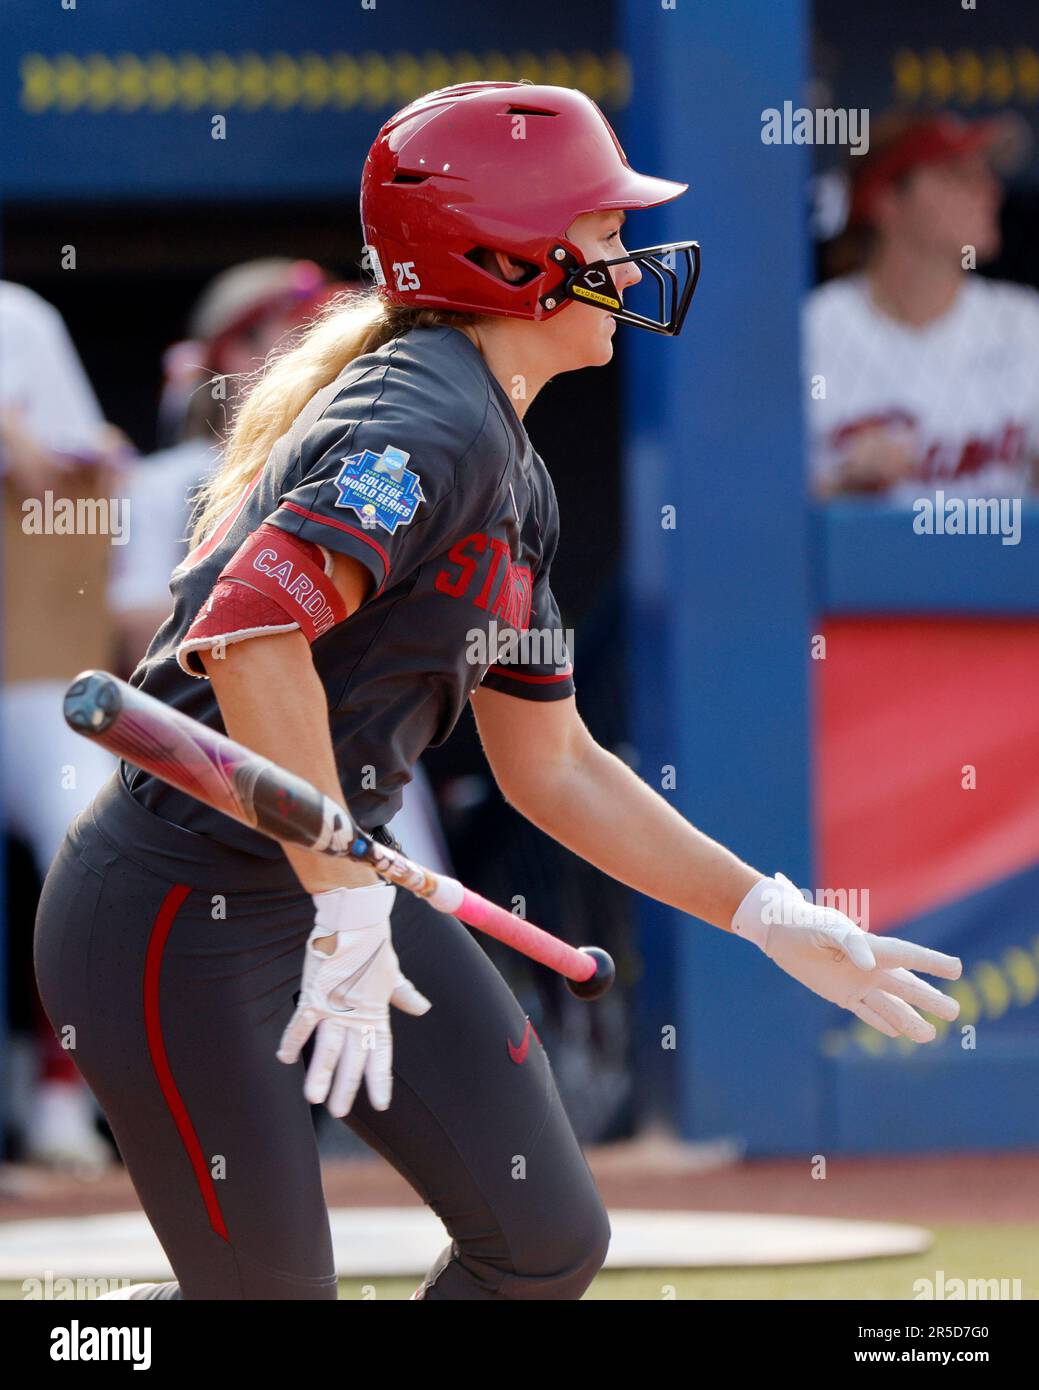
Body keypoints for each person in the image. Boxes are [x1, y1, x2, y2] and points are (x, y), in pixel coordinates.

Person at [35, 81, 962, 1302]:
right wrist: (340, 897)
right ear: (507, 254)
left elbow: (554, 763)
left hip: (327, 883)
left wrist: (767, 915)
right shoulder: (424, 416)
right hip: (173, 902)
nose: (631, 264)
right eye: (604, 233)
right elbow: (251, 635)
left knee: (543, 1244)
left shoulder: (504, 455)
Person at [1, 281, 130, 1174]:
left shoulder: (15, 315)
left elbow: (76, 470)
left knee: (86, 852)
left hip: (30, 667)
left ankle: (61, 1093)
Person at [804, 111, 1039, 501]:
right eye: (958, 176)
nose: (989, 191)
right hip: (864, 560)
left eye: (985, 175)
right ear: (886, 201)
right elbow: (751, 512)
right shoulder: (809, 334)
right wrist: (839, 487)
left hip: (995, 561)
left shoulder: (1026, 324)